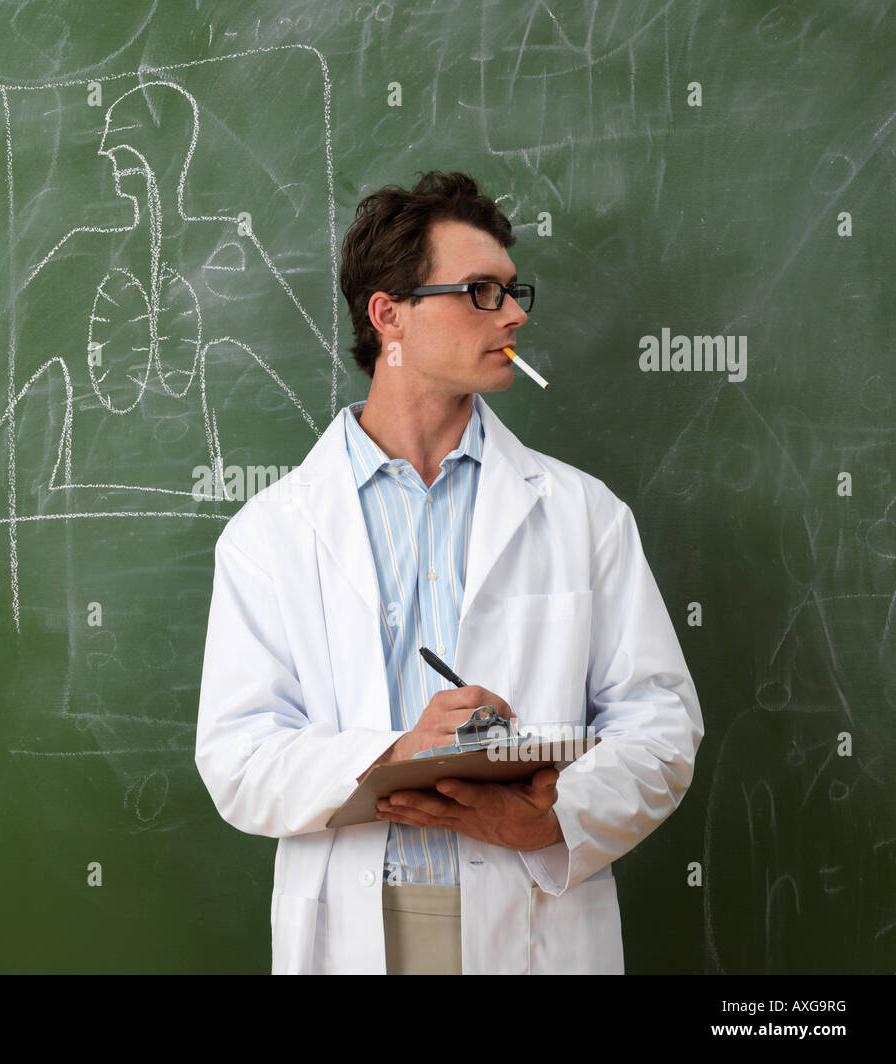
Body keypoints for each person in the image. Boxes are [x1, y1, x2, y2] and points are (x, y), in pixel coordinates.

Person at [194, 171, 702, 974]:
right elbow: (238, 761)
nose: (515, 313)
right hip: (358, 930)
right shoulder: (270, 534)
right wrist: (395, 754)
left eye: (511, 289)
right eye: (481, 291)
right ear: (389, 314)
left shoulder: (582, 513)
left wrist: (549, 821)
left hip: (532, 919)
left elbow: (662, 726)